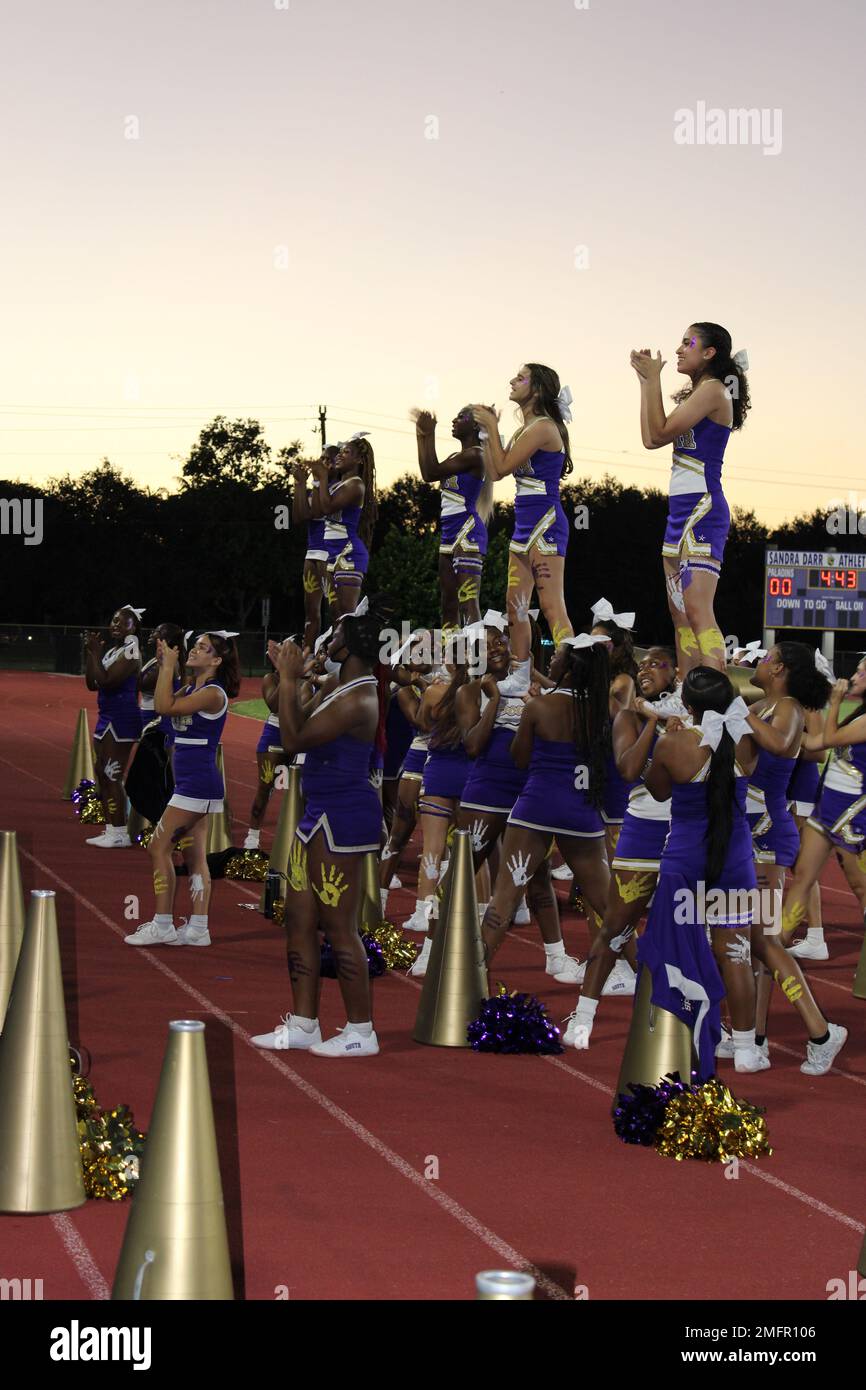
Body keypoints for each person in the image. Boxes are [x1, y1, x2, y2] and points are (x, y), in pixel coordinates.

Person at [251, 598, 393, 1057]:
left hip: (343, 817)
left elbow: (291, 740)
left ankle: (360, 1030)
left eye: (335, 633)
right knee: (299, 919)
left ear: (350, 644)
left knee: (338, 925)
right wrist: (285, 672)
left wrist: (294, 678)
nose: (326, 639)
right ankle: (304, 1022)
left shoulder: (359, 696)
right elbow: (281, 707)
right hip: (320, 814)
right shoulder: (337, 683)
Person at [563, 645, 680, 1042]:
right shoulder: (628, 717)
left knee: (691, 931)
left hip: (687, 834)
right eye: (641, 664)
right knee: (615, 925)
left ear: (676, 672)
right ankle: (583, 1015)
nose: (646, 669)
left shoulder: (695, 714)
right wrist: (654, 723)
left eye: (656, 664)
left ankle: (706, 1023)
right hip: (643, 832)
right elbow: (630, 769)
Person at [478, 635, 612, 977]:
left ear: (568, 666)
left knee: (504, 898)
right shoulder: (603, 707)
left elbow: (519, 758)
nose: (550, 660)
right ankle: (648, 985)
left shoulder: (539, 706)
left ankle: (471, 979)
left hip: (536, 808)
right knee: (610, 907)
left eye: (556, 656)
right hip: (581, 812)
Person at [631, 324, 750, 675]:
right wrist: (646, 382)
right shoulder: (699, 392)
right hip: (679, 513)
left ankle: (716, 699)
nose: (680, 349)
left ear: (710, 353)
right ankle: (686, 694)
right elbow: (651, 439)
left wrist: (653, 380)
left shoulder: (713, 390)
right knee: (680, 614)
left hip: (703, 510)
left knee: (698, 611)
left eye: (688, 342)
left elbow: (660, 431)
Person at [124, 630, 240, 947]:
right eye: (195, 646)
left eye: (203, 648)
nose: (194, 651)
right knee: (195, 856)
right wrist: (168, 667)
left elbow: (163, 706)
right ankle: (199, 927)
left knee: (157, 848)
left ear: (216, 660)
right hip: (190, 784)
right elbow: (166, 715)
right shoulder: (192, 688)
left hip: (196, 785)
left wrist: (166, 669)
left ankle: (163, 924)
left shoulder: (213, 694)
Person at [471, 364, 574, 695]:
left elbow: (500, 469)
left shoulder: (544, 428)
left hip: (546, 522)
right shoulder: (526, 429)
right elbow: (493, 467)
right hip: (524, 523)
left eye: (521, 377)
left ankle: (574, 676)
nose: (512, 381)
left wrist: (490, 424)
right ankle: (520, 670)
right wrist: (489, 435)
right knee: (515, 603)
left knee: (551, 605)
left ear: (539, 389)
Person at [779, 656, 866, 1002]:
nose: (855, 675)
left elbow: (827, 739)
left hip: (852, 814)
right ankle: (777, 943)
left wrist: (834, 701)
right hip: (826, 806)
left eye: (862, 673)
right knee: (802, 876)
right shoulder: (858, 714)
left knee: (860, 888)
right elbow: (813, 744)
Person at [412, 406, 492, 629]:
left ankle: (476, 660)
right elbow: (428, 473)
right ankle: (451, 659)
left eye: (461, 416)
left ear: (475, 425)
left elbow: (431, 471)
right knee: (448, 603)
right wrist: (422, 433)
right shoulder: (456, 456)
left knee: (468, 602)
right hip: (449, 532)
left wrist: (429, 433)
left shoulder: (476, 454)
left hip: (467, 531)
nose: (455, 420)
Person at [83, 604, 144, 848]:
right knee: (101, 773)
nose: (115, 625)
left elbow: (107, 681)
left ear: (134, 627)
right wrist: (92, 655)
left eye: (123, 622)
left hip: (122, 717)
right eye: (114, 620)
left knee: (112, 774)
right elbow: (92, 683)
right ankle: (111, 829)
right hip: (107, 715)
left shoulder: (131, 651)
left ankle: (120, 832)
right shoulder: (114, 651)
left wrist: (96, 655)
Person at [308, 432, 377, 616]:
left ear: (360, 460)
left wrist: (322, 478)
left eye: (346, 452)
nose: (339, 455)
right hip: (332, 553)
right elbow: (316, 512)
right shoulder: (338, 485)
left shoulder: (356, 485)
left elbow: (327, 506)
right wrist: (316, 480)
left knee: (346, 619)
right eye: (339, 451)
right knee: (336, 617)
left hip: (348, 554)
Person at [292, 445, 339, 650]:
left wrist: (318, 480)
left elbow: (318, 512)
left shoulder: (337, 487)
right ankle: (308, 656)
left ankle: (338, 656)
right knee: (311, 613)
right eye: (322, 458)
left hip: (329, 553)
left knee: (336, 611)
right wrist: (299, 484)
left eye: (328, 459)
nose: (323, 462)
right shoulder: (316, 488)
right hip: (312, 552)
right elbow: (298, 516)